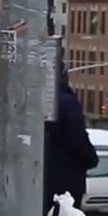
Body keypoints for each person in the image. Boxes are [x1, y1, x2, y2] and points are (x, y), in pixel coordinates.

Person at [45, 69, 98, 207]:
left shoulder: (33, 97)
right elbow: (77, 139)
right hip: (65, 181)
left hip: (41, 181)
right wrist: (91, 159)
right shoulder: (67, 103)